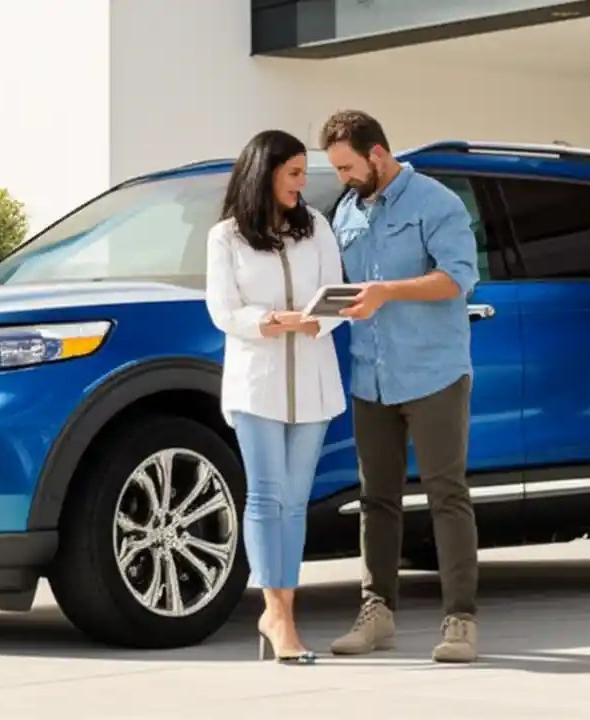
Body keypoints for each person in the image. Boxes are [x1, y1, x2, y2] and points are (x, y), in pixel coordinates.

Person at [318, 110, 482, 663]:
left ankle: (460, 620)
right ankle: (377, 615)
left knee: (446, 495)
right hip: (371, 376)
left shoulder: (436, 203)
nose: (341, 177)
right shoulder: (346, 211)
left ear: (378, 155)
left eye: (346, 166)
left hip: (434, 372)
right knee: (376, 500)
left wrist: (387, 290)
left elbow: (458, 278)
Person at [204, 129, 347, 665]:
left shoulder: (318, 229)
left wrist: (321, 322)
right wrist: (268, 322)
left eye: (303, 175)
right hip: (255, 385)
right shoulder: (226, 237)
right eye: (293, 174)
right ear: (264, 173)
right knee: (265, 496)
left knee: (294, 501)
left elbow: (337, 292)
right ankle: (278, 614)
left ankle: (283, 607)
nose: (301, 184)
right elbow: (222, 310)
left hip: (313, 385)